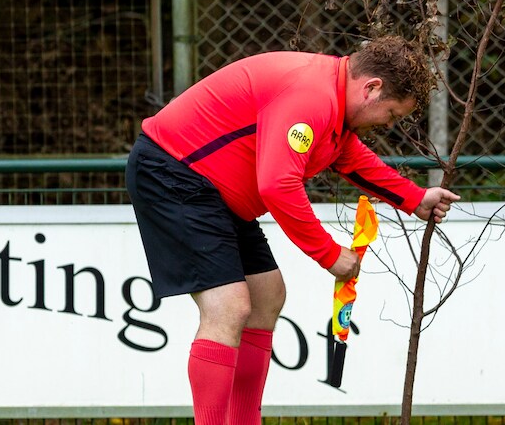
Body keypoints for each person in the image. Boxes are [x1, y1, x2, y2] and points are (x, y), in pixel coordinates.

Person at [124, 36, 460, 425]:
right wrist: (329, 255)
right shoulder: (311, 97)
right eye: (392, 113)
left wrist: (414, 198)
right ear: (372, 89)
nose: (388, 123)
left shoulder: (332, 101)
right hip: (173, 173)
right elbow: (278, 185)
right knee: (229, 307)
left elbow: (348, 158)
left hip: (214, 191)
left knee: (267, 296)